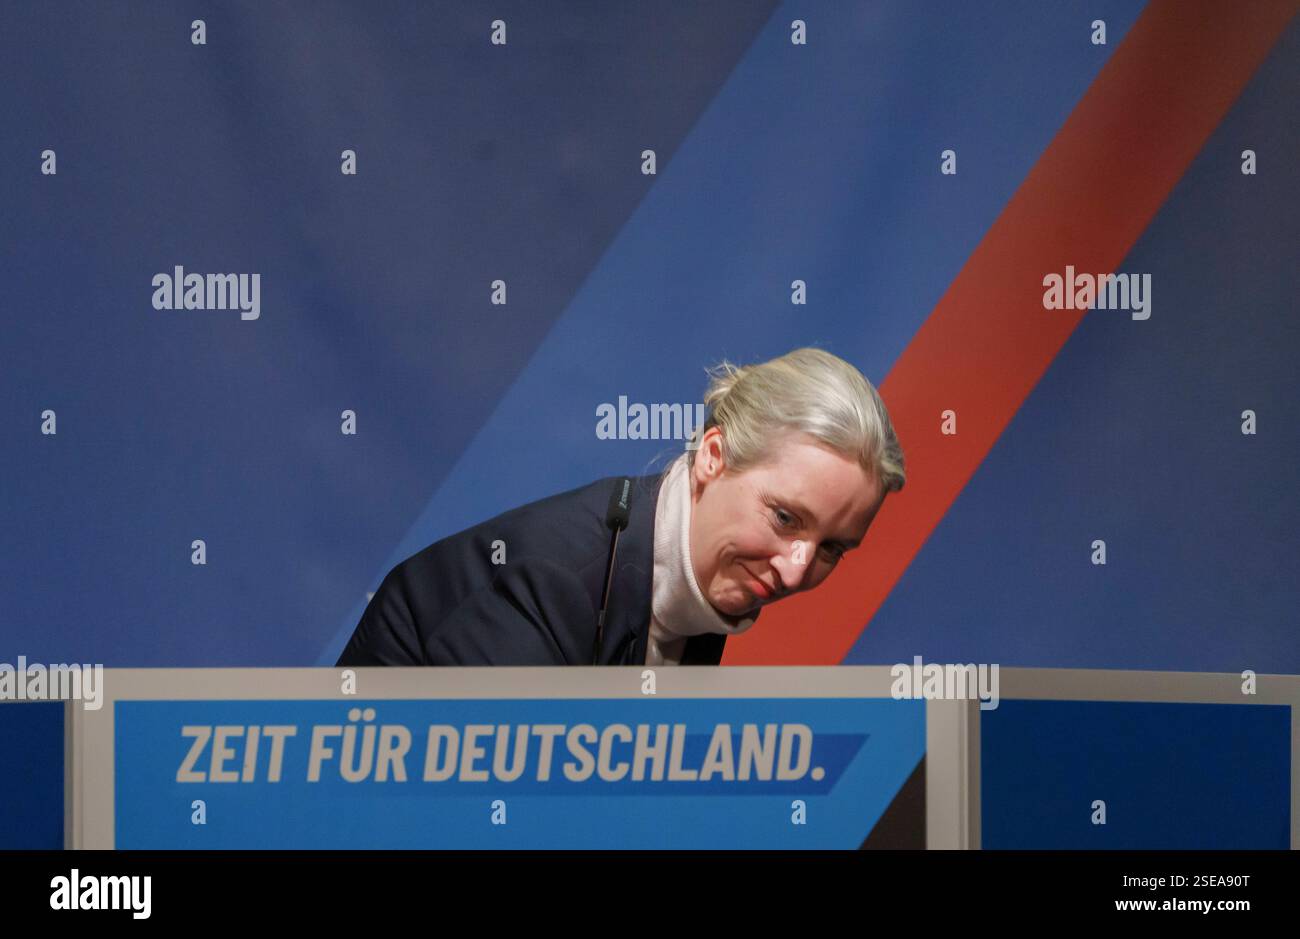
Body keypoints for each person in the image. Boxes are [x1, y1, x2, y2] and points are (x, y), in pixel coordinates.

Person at [336, 346, 905, 667]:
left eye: (831, 547)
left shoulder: (697, 595)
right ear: (713, 456)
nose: (796, 569)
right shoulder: (548, 580)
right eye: (784, 518)